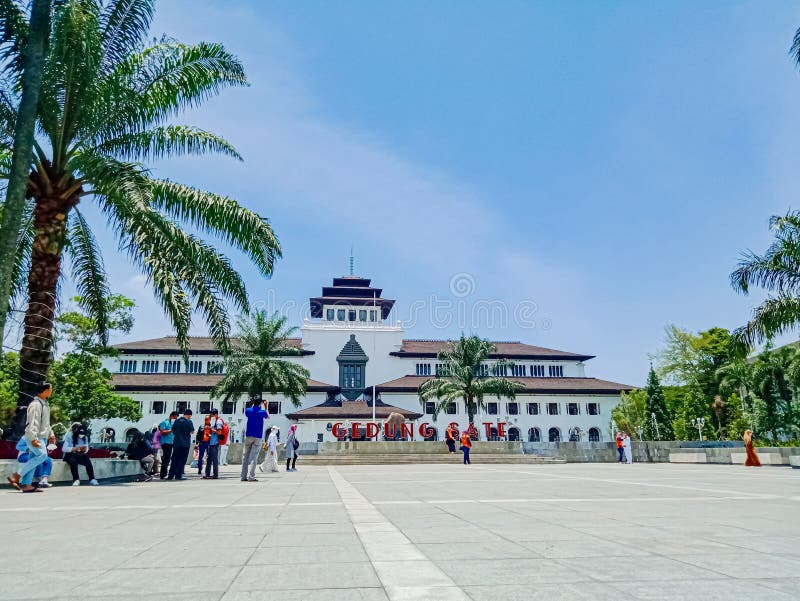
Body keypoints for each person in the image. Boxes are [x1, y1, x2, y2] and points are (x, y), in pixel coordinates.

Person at [8, 382, 56, 493]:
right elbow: (32, 423)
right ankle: (16, 476)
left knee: (33, 460)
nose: (51, 391)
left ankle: (26, 485)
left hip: (42, 436)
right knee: (42, 455)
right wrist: (33, 438)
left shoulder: (44, 404)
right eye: (50, 388)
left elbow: (46, 423)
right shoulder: (35, 404)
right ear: (44, 391)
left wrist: (51, 434)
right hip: (35, 436)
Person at [241, 400, 269, 482]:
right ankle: (251, 476)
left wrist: (254, 405)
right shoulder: (262, 411)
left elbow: (248, 412)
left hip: (249, 435)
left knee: (245, 457)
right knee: (254, 457)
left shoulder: (248, 410)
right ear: (260, 404)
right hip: (258, 436)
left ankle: (243, 476)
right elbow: (268, 416)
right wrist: (266, 406)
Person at [168, 409, 195, 480]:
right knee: (182, 460)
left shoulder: (176, 421)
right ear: (189, 415)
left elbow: (173, 431)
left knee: (174, 459)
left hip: (176, 443)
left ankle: (170, 475)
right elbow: (192, 432)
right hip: (185, 444)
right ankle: (178, 476)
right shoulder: (189, 422)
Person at [204, 409, 224, 479]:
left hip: (215, 443)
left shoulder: (218, 421)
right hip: (212, 442)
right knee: (209, 459)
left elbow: (219, 432)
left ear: (215, 414)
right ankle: (207, 474)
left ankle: (215, 475)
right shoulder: (216, 420)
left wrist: (211, 429)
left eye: (211, 415)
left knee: (214, 460)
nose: (210, 416)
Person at [158, 411, 178, 479]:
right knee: (166, 458)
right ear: (172, 416)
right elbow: (162, 432)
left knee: (169, 458)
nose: (175, 419)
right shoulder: (164, 422)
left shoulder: (172, 423)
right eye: (175, 417)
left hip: (171, 442)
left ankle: (166, 473)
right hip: (165, 443)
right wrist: (171, 430)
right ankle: (163, 474)